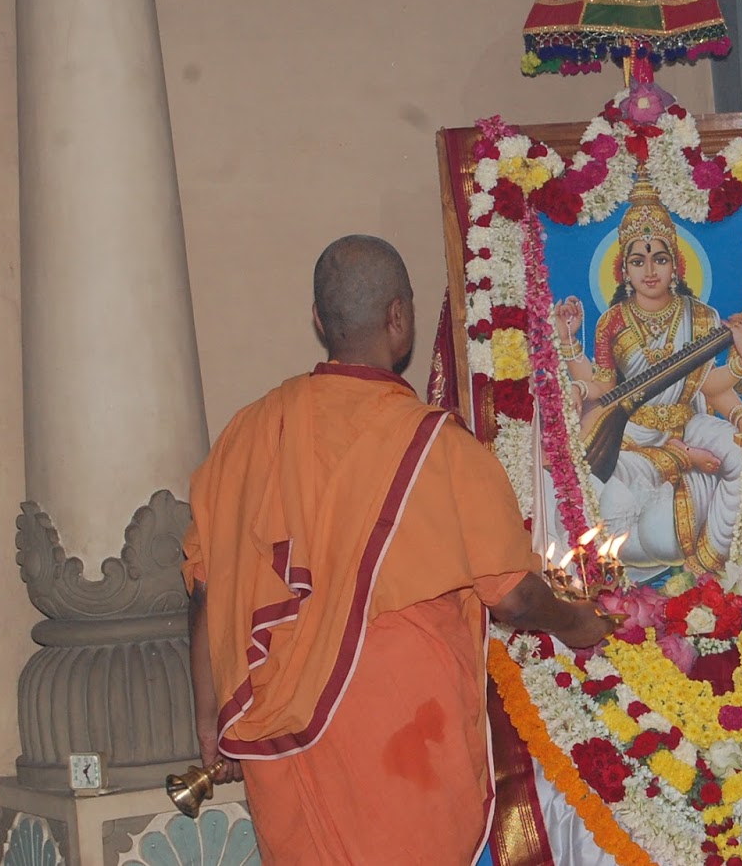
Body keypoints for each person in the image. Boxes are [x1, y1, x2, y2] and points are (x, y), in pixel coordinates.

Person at [183, 235, 613, 866]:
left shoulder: (245, 435)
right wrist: (582, 623)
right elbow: (517, 597)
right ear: (398, 318)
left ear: (319, 321)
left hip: (281, 743)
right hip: (403, 745)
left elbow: (203, 590)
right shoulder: (435, 446)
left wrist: (205, 720)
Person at [552, 174, 742, 577]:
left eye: (660, 259)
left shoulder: (702, 317)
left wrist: (739, 362)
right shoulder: (613, 321)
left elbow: (707, 386)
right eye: (638, 260)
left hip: (687, 421)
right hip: (630, 436)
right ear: (623, 271)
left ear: (677, 266)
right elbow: (606, 387)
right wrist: (573, 359)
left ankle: (711, 564)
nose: (650, 270)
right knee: (602, 499)